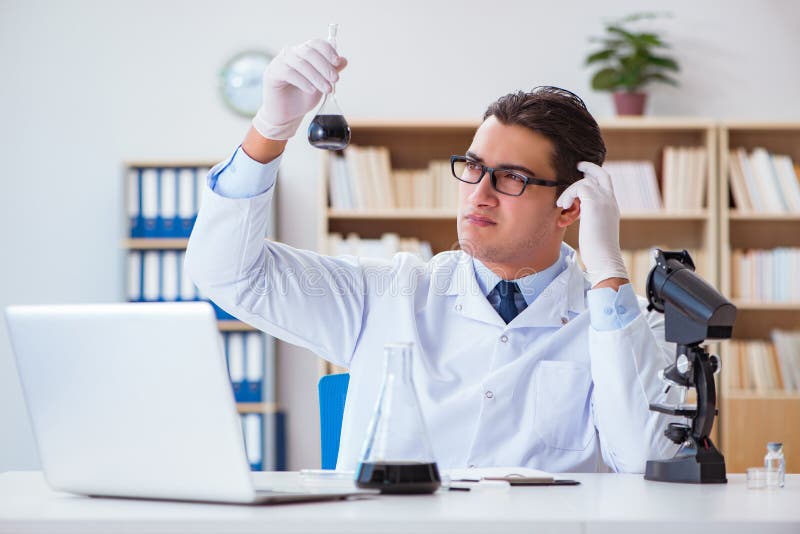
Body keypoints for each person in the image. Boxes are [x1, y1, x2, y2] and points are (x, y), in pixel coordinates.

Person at [185, 37, 680, 473]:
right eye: (473, 167)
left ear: (569, 207)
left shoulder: (626, 326)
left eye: (511, 178)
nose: (478, 194)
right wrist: (269, 131)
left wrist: (608, 271)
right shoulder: (383, 295)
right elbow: (226, 273)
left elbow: (643, 458)